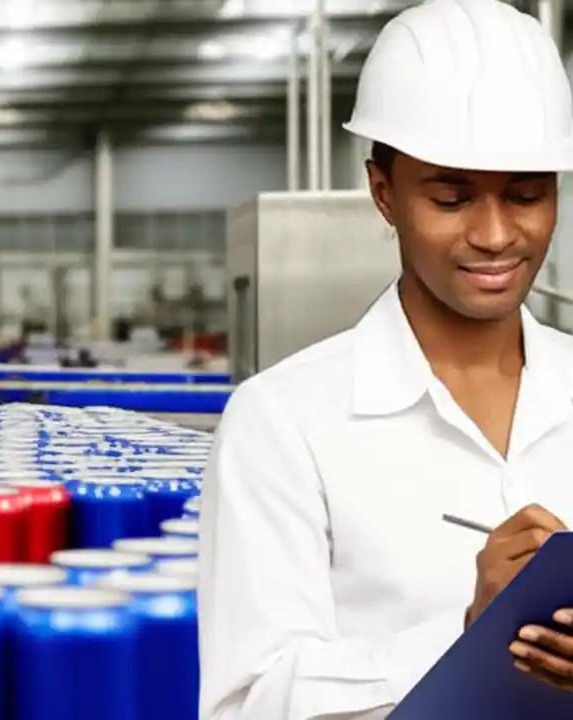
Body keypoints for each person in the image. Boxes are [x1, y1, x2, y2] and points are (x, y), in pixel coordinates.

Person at [198, 0, 573, 717]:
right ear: (383, 192)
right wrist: (468, 635)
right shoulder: (285, 423)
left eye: (527, 195)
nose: (496, 234)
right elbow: (246, 702)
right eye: (452, 197)